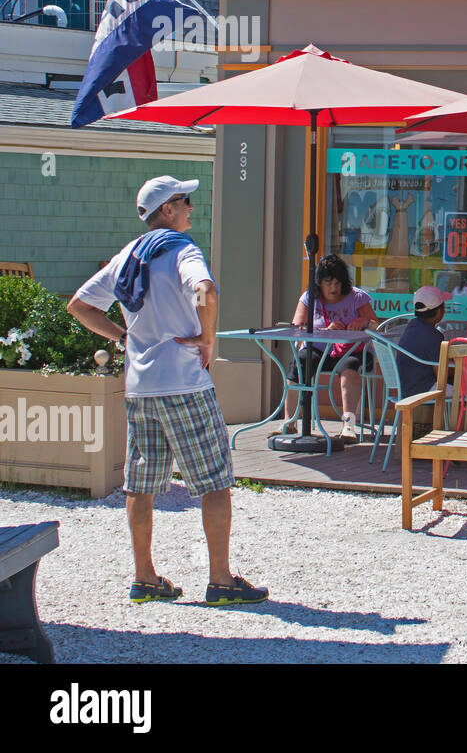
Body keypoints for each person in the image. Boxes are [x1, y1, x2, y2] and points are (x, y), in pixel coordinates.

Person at [66, 175, 267, 606]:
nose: (192, 207)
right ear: (167, 210)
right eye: (185, 200)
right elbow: (206, 291)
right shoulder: (181, 249)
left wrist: (123, 338)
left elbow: (80, 305)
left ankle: (145, 578)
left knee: (140, 483)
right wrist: (208, 338)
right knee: (213, 481)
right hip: (185, 383)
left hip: (140, 387)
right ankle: (220, 580)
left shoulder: (128, 256)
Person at [288, 253, 377, 442]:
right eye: (328, 283)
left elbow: (377, 326)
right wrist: (323, 331)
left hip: (355, 350)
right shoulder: (309, 298)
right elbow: (296, 328)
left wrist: (363, 321)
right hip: (320, 350)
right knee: (299, 363)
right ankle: (290, 421)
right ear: (319, 282)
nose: (333, 288)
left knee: (349, 370)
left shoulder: (357, 297)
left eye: (337, 283)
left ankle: (349, 425)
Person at [395, 286, 446, 401]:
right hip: (424, 390)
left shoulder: (411, 326)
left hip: (405, 390)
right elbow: (441, 375)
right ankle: (459, 420)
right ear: (439, 311)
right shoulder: (434, 335)